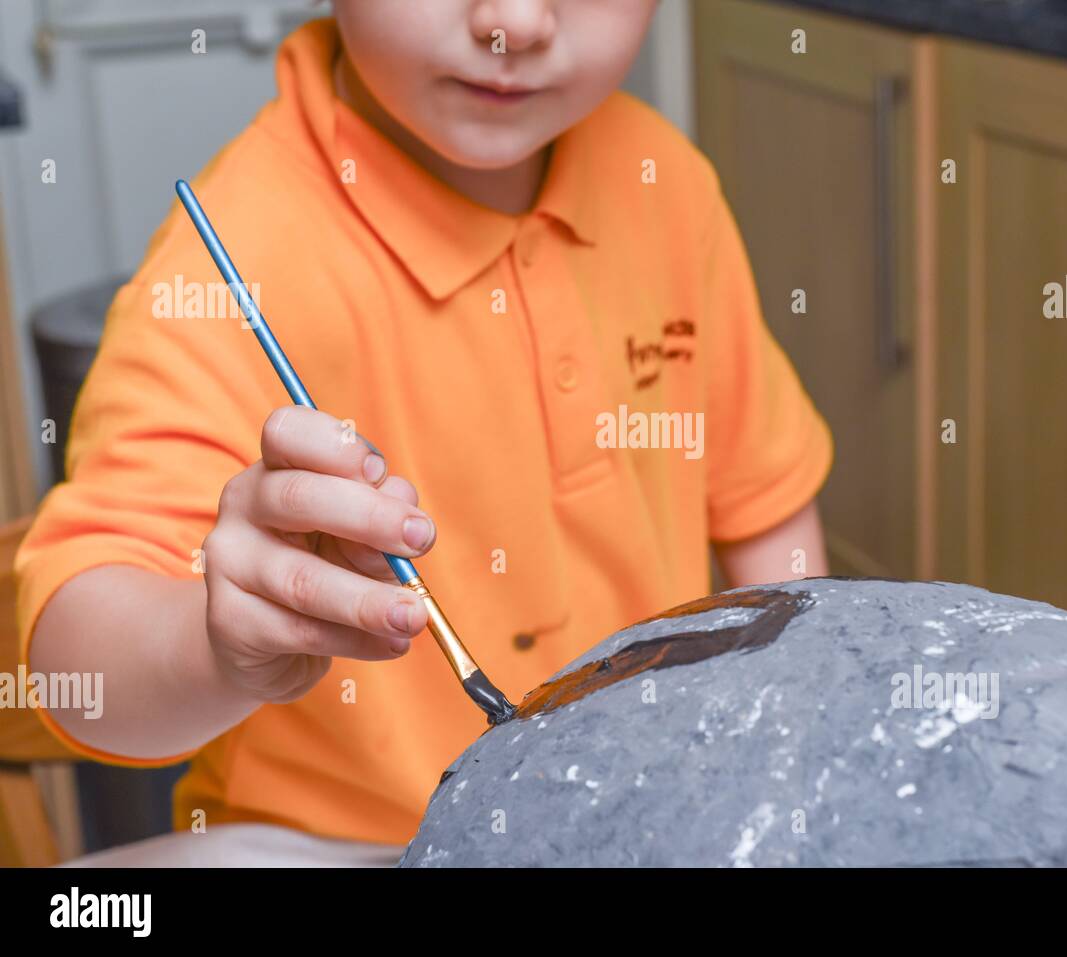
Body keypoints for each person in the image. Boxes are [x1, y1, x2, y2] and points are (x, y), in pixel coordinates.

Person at [16, 0, 832, 850]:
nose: (514, 22)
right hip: (351, 843)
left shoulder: (669, 183)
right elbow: (79, 675)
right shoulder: (225, 266)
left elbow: (767, 518)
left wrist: (800, 729)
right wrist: (219, 647)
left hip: (649, 811)